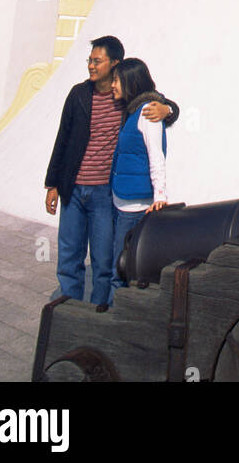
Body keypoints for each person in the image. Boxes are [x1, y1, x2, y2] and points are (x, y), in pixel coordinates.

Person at [44, 35, 179, 309]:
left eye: (97, 61)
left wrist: (168, 109)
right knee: (69, 256)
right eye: (89, 61)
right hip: (73, 188)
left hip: (105, 193)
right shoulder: (79, 95)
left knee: (104, 260)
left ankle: (98, 312)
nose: (91, 66)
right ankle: (67, 311)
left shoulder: (126, 99)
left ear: (114, 64)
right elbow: (63, 139)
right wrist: (53, 184)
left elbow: (162, 104)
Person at [109, 57, 169, 296]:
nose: (113, 85)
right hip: (122, 199)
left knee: (121, 270)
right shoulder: (133, 111)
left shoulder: (147, 113)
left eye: (116, 80)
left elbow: (156, 156)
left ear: (130, 81)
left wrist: (160, 195)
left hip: (135, 205)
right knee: (118, 263)